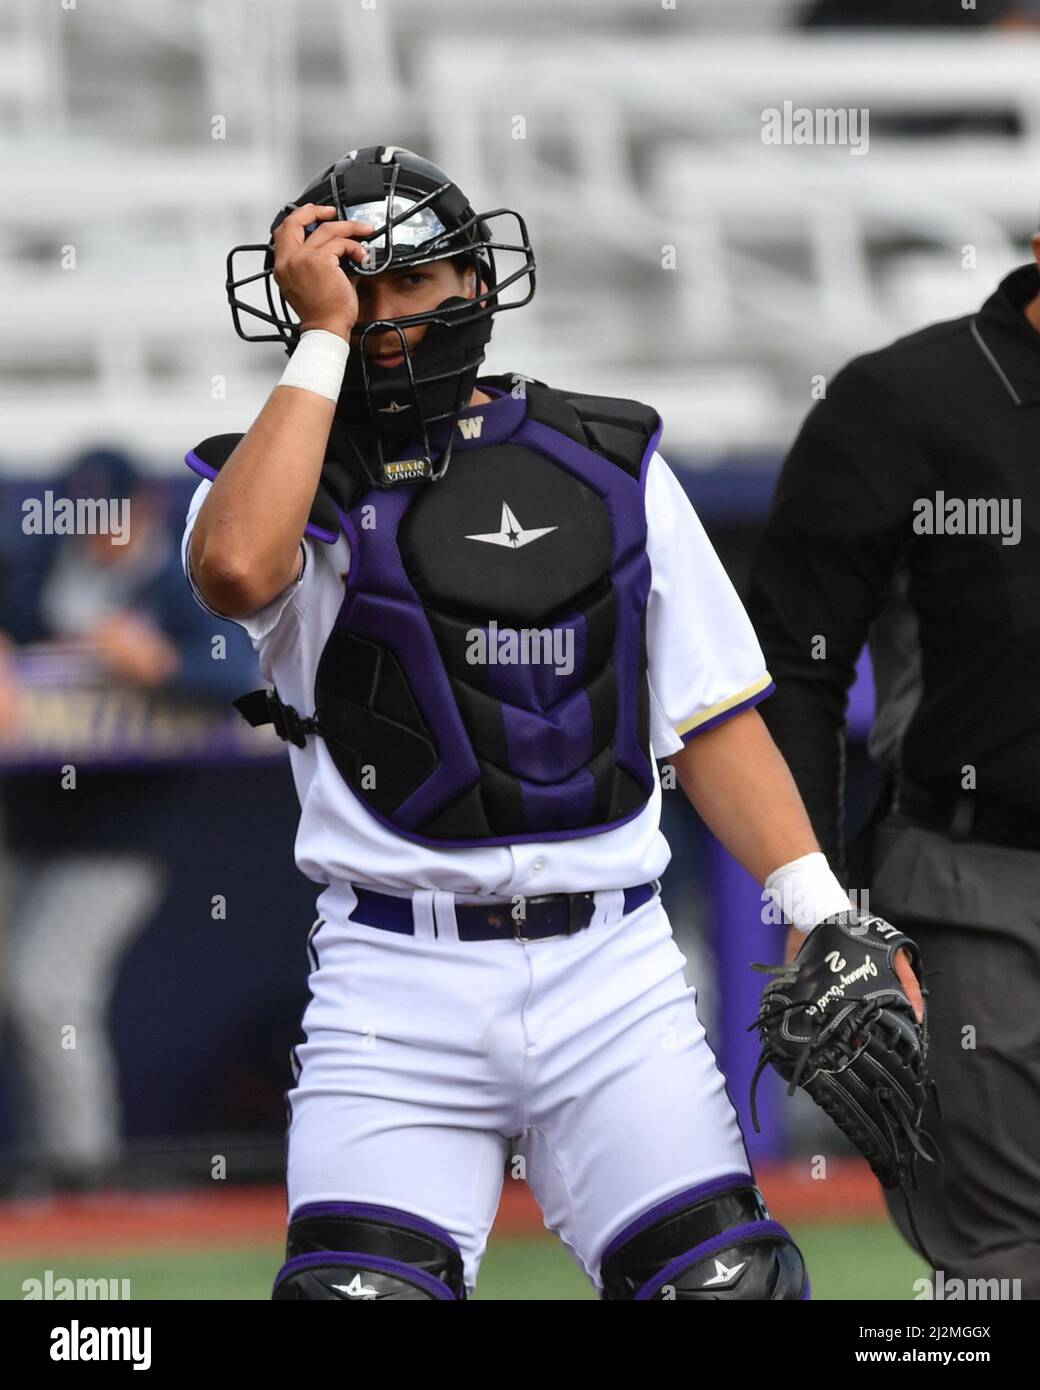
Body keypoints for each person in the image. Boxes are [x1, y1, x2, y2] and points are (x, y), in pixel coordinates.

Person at [181, 146, 916, 1301]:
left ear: (473, 283)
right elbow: (235, 569)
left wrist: (823, 912)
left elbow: (711, 719)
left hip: (611, 971)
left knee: (729, 1291)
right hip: (395, 977)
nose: (374, 319)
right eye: (344, 288)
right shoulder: (279, 477)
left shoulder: (607, 461)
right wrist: (320, 342)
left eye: (399, 285)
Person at [749, 245, 1040, 1298]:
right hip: (981, 889)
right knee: (1001, 1272)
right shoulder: (903, 400)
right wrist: (814, 901)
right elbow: (790, 664)